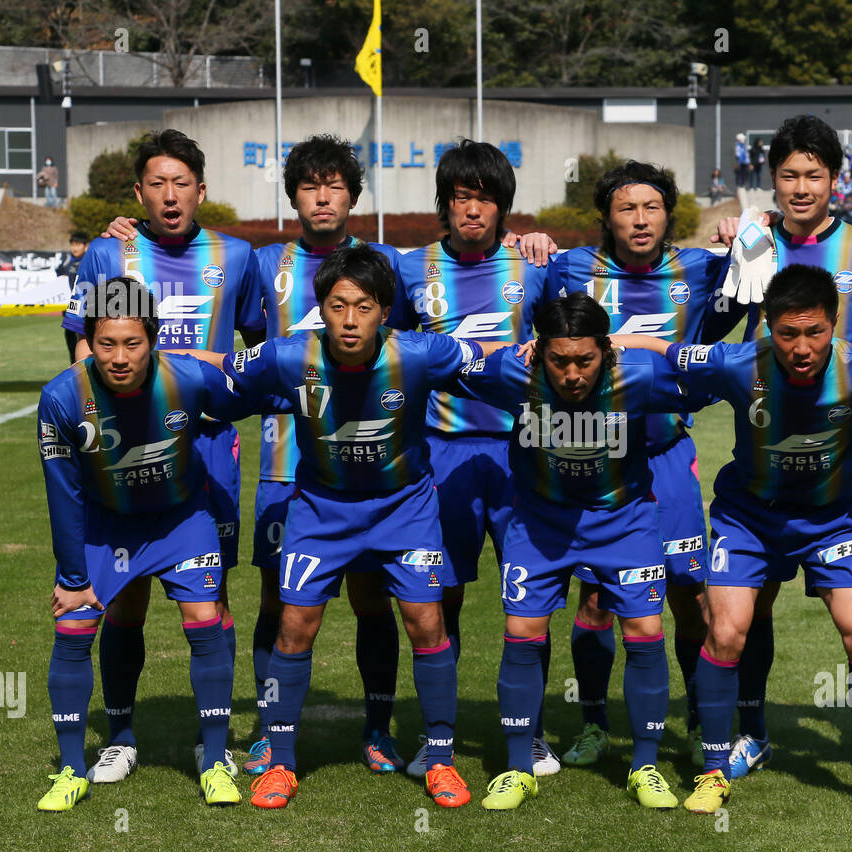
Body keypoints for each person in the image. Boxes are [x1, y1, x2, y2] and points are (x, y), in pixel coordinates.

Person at [614, 263, 852, 817]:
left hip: (831, 523)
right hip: (748, 521)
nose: (801, 348)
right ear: (767, 328)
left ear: (834, 323)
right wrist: (600, 342)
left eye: (815, 332)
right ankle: (714, 770)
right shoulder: (736, 362)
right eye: (787, 333)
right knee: (725, 632)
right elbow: (661, 348)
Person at [195, 244, 505, 809]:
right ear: (321, 310)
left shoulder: (419, 352)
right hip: (321, 511)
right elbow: (224, 371)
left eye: (364, 307)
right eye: (338, 306)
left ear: (385, 310)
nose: (350, 320)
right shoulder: (289, 355)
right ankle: (281, 762)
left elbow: (485, 357)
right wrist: (156, 364)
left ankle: (440, 758)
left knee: (427, 623)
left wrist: (539, 357)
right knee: (295, 626)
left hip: (405, 510)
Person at [708, 114, 852, 781]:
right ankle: (753, 732)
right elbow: (712, 328)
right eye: (789, 175)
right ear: (772, 180)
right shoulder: (752, 244)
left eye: (814, 175)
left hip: (847, 463)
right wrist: (729, 245)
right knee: (751, 602)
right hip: (764, 461)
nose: (801, 188)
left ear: (834, 180)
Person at [61, 128, 264, 784]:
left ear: (201, 190)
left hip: (207, 445)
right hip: (127, 446)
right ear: (139, 192)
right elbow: (82, 348)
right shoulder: (109, 252)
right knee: (123, 597)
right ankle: (120, 736)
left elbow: (257, 350)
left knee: (211, 595)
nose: (170, 195)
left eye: (181, 183)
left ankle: (214, 741)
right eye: (157, 183)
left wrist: (211, 366)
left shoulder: (236, 256)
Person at [454, 292, 704, 810]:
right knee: (523, 630)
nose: (571, 375)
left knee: (645, 630)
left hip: (624, 522)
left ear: (606, 353)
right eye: (558, 360)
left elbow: (713, 379)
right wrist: (507, 347)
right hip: (540, 523)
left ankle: (645, 766)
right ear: (538, 352)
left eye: (585, 361)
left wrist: (640, 343)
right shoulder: (514, 373)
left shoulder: (639, 375)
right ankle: (519, 768)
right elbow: (442, 361)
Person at [36, 277, 271, 811]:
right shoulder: (62, 397)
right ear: (89, 341)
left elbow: (257, 393)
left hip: (180, 520)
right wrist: (73, 579)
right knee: (73, 625)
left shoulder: (187, 377)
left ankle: (214, 760)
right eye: (106, 343)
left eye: (132, 343)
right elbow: (63, 494)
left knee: (205, 619)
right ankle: (73, 769)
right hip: (107, 524)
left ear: (154, 338)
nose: (119, 358)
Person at [543, 160, 732, 770]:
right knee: (598, 598)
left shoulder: (700, 269)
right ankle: (594, 723)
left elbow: (762, 283)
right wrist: (527, 241)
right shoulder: (571, 269)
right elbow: (525, 302)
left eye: (652, 207)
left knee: (688, 592)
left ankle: (701, 720)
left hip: (666, 456)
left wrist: (748, 231)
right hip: (594, 459)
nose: (641, 219)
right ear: (607, 217)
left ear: (668, 214)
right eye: (627, 208)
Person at [246, 133, 408, 778]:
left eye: (334, 186)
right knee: (278, 602)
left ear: (353, 196)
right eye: (310, 186)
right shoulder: (264, 264)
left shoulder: (386, 261)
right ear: (293, 197)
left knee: (371, 599)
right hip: (284, 462)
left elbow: (406, 351)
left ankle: (378, 729)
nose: (322, 197)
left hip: (366, 465)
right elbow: (254, 350)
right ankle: (269, 731)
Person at [390, 140, 554, 777]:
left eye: (485, 198)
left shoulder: (534, 269)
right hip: (439, 455)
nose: (472, 209)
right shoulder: (410, 269)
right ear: (445, 203)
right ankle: (439, 738)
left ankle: (530, 733)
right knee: (441, 599)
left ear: (503, 205)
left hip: (520, 453)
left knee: (529, 600)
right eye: (461, 197)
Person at [57, 231, 90, 362]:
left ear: (86, 246)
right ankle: (74, 368)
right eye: (73, 244)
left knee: (84, 342)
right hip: (69, 309)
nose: (75, 248)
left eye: (78, 244)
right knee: (71, 341)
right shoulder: (66, 261)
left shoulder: (89, 260)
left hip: (86, 310)